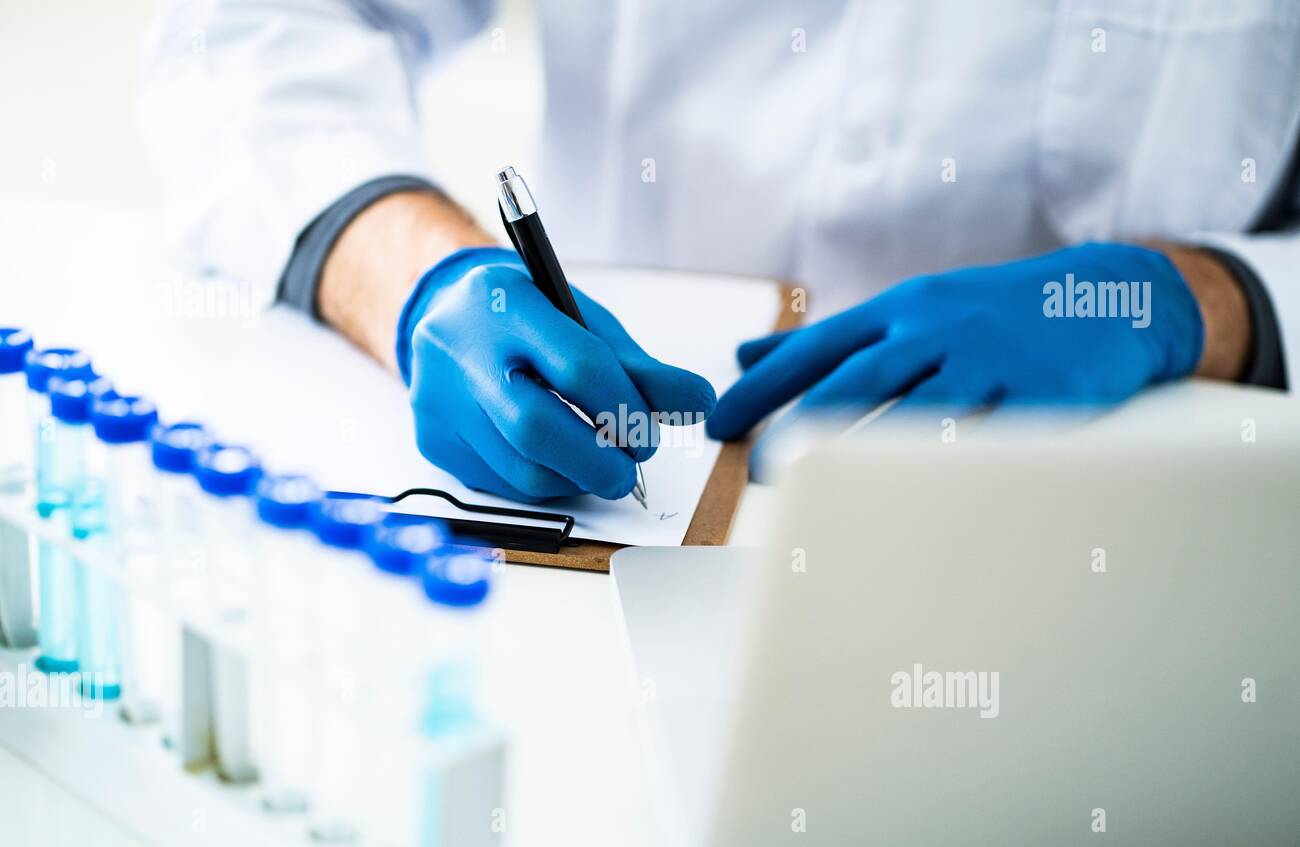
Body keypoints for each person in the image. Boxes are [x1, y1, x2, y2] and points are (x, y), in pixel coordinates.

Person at [141, 0, 1297, 502]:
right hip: (615, 504)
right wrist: (411, 272)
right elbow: (253, 30)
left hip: (1125, 530)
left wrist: (1211, 299)